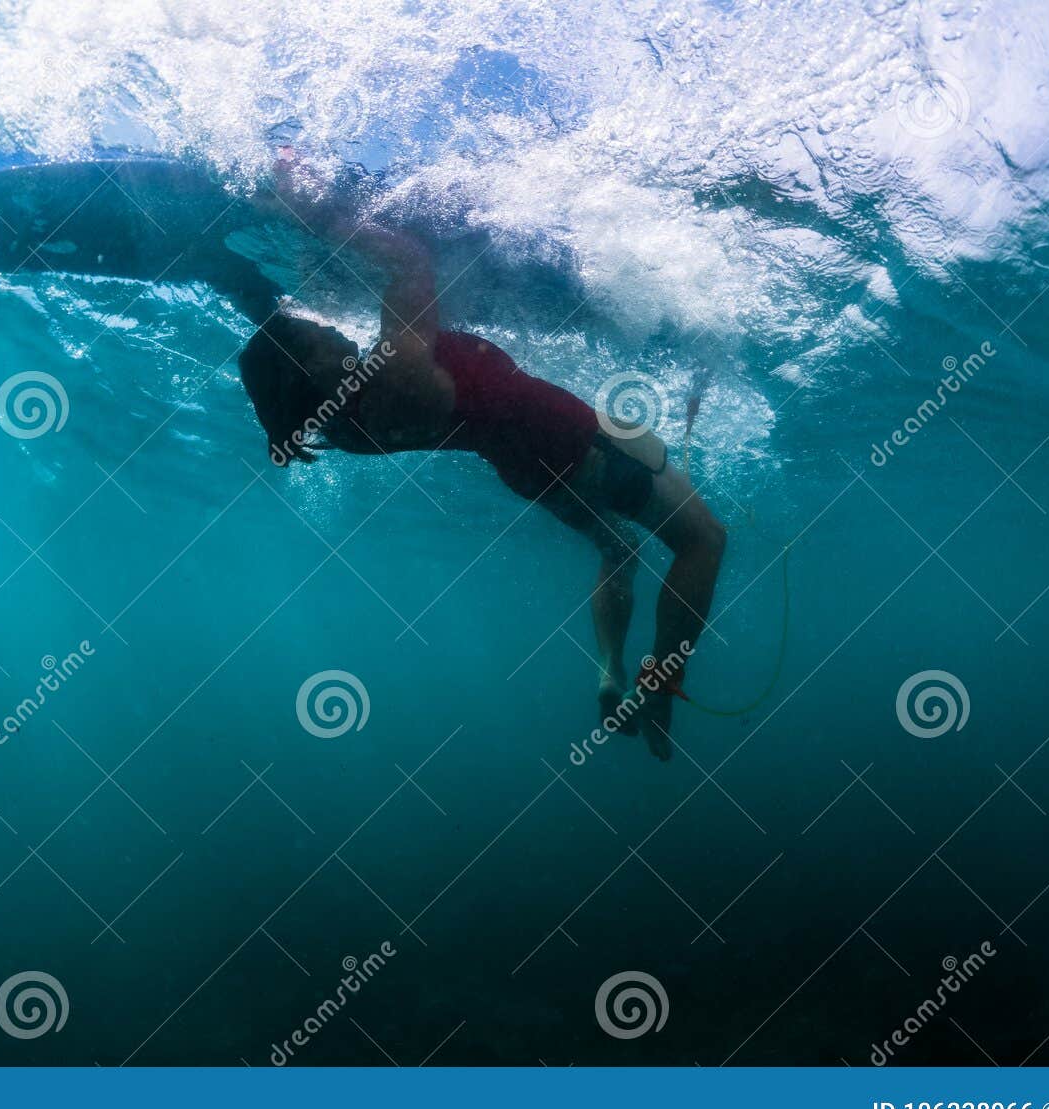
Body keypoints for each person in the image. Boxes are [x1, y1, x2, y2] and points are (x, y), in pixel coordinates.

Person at [241, 158, 726, 761]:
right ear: (310, 368)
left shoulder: (344, 427)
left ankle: (610, 673)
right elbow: (410, 259)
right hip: (579, 442)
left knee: (620, 551)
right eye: (312, 336)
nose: (326, 329)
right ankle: (659, 688)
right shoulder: (399, 368)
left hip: (526, 470)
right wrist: (316, 216)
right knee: (704, 540)